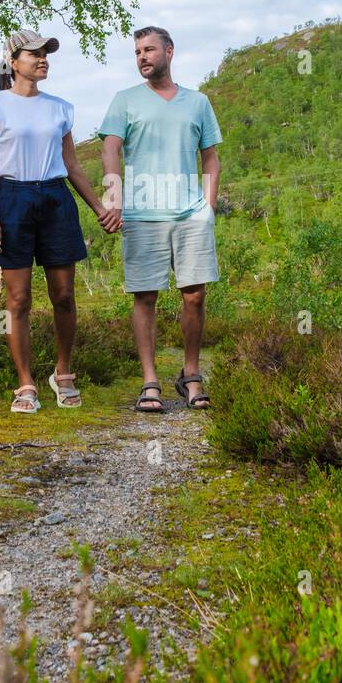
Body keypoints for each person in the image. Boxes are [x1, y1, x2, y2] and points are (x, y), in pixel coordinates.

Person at [0, 29, 121, 413]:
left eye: (46, 53)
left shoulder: (61, 108)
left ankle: (63, 373)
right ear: (13, 62)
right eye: (34, 53)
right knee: (18, 299)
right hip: (12, 200)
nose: (43, 59)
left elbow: (72, 164)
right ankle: (25, 383)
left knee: (63, 295)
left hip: (56, 199)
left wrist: (99, 207)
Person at [99, 26, 222, 413]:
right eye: (137, 52)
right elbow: (110, 149)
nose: (142, 57)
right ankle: (149, 381)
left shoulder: (198, 102)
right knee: (145, 297)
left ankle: (190, 375)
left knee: (195, 295)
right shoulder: (125, 101)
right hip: (141, 213)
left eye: (149, 49)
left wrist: (209, 207)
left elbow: (211, 158)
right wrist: (114, 197)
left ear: (169, 51)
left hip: (190, 214)